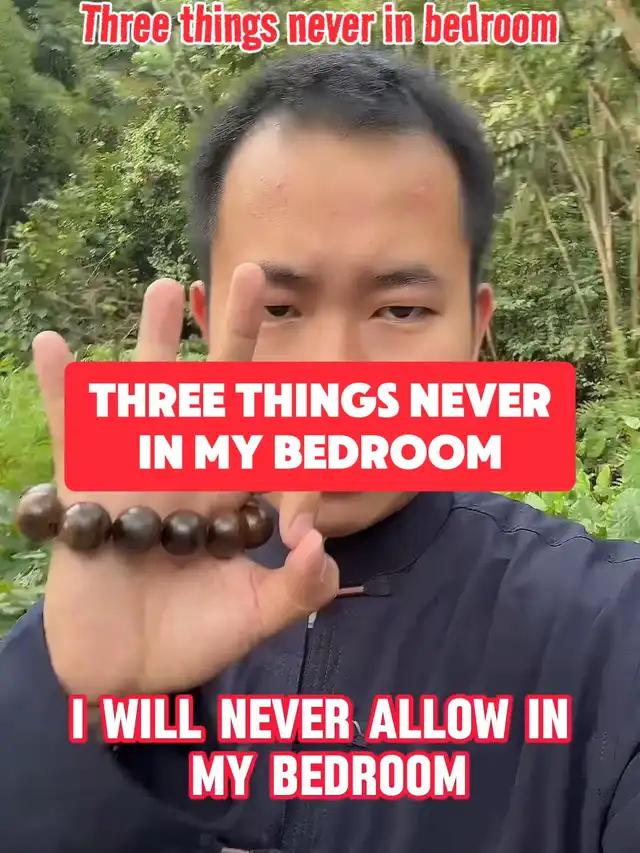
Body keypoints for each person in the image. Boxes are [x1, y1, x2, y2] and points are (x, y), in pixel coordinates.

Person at [1, 47, 639, 853]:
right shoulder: (85, 625)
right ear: (210, 320)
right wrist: (85, 710)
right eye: (278, 308)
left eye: (401, 311)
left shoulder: (610, 636)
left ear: (476, 332)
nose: (334, 373)